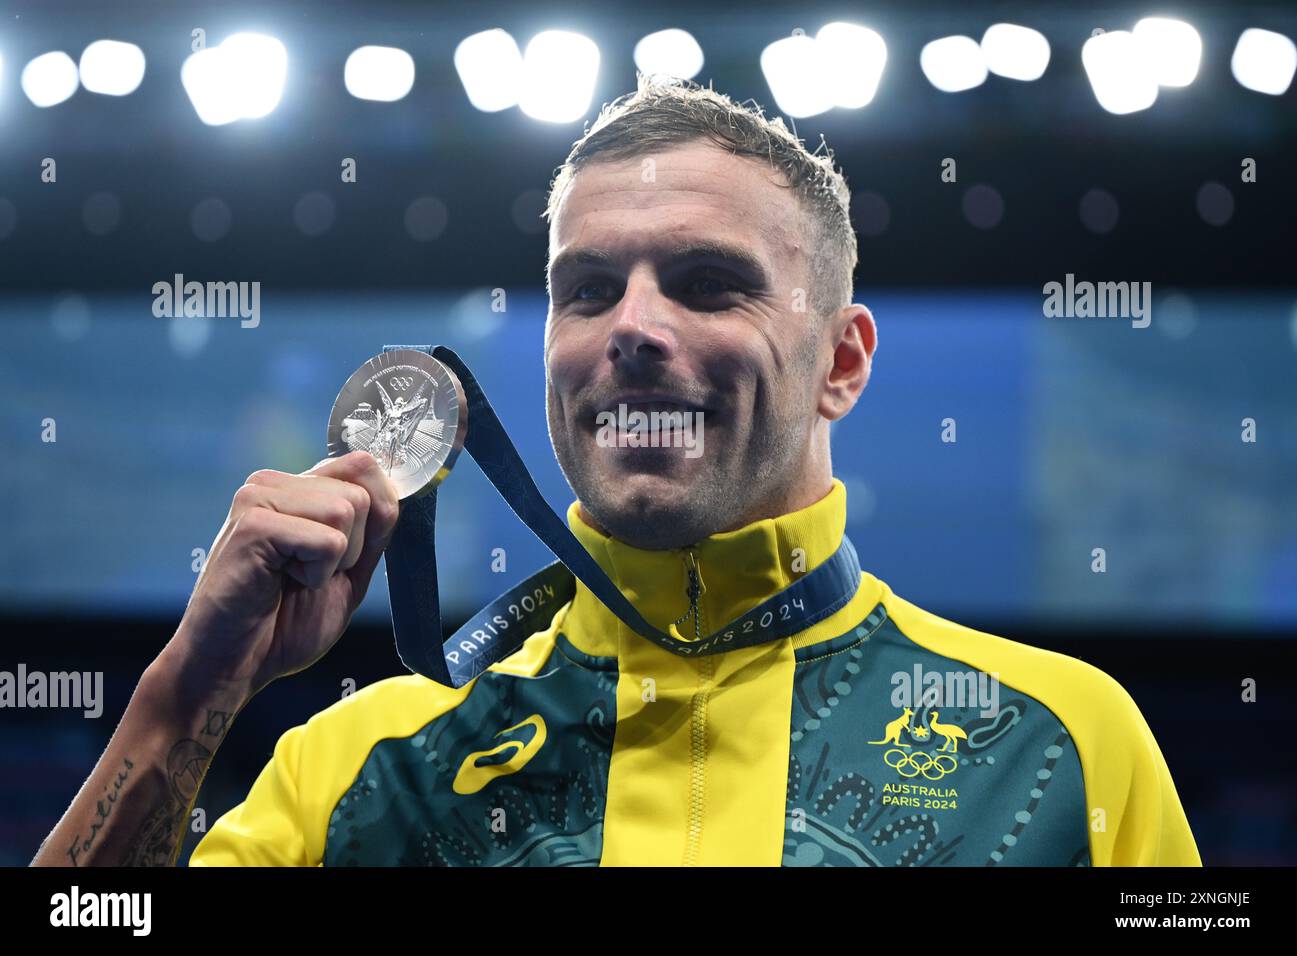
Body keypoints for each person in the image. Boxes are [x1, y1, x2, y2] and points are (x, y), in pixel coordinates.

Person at [32, 75, 1200, 867]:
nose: (629, 327)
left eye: (704, 282)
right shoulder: (363, 767)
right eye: (586, 290)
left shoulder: (1063, 747)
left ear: (839, 361)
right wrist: (188, 693)